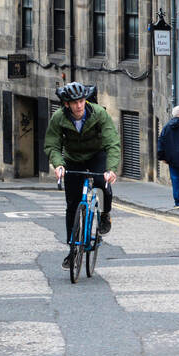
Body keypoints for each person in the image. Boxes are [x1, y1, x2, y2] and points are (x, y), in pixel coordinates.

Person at [44, 82, 120, 269]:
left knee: (103, 183)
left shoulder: (98, 113)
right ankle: (72, 250)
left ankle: (105, 214)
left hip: (96, 155)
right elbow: (52, 144)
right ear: (66, 104)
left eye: (81, 101)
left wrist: (111, 169)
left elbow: (112, 142)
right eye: (74, 102)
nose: (79, 105)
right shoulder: (59, 118)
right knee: (72, 205)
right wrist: (59, 165)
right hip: (73, 158)